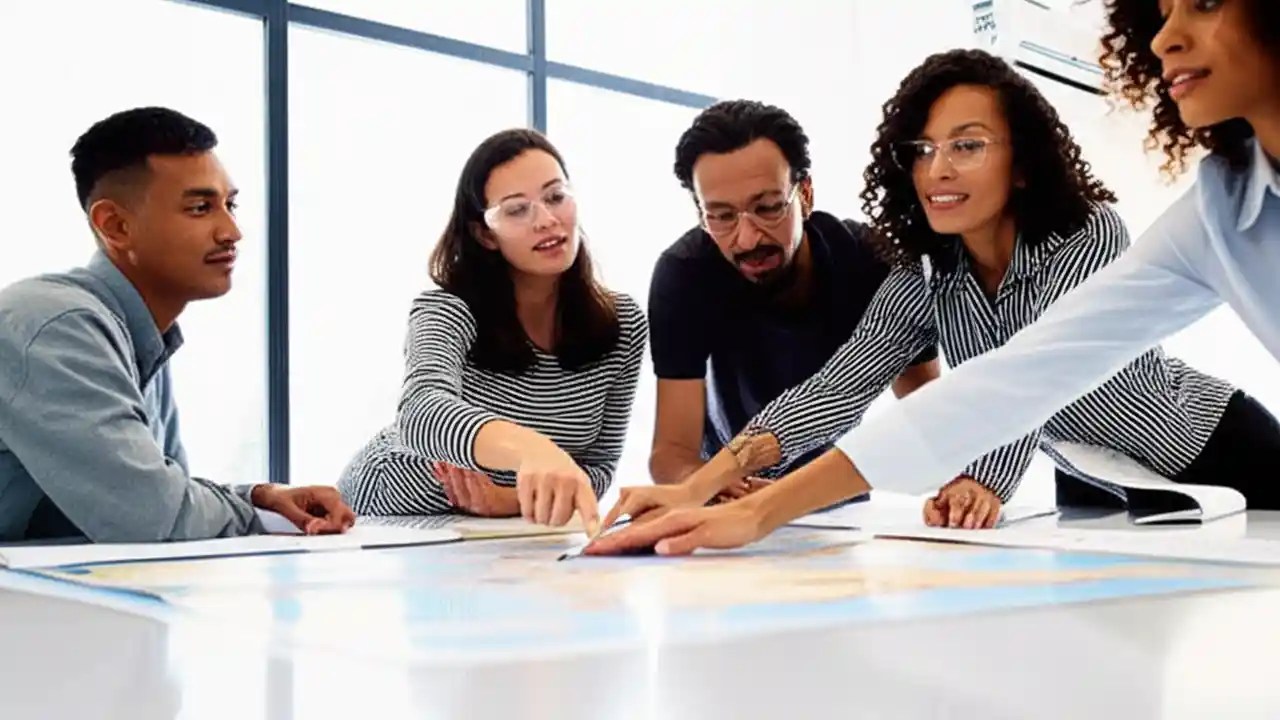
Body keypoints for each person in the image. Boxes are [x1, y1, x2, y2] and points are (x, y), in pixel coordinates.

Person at [585, 0, 1280, 556]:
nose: (938, 169)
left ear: (1025, 161)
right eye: (922, 150)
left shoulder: (1086, 232)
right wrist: (706, 486)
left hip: (1212, 450)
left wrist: (983, 476)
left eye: (968, 146)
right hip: (1100, 480)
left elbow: (1026, 377)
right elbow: (834, 389)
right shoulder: (923, 278)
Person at [0, 107, 355, 543]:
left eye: (230, 204)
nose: (231, 231)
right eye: (201, 208)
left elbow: (160, 495)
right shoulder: (58, 326)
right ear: (115, 225)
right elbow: (155, 519)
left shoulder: (140, 336)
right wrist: (248, 506)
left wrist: (261, 496)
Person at [337, 129, 646, 534]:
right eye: (517, 210)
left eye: (555, 197)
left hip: (504, 526)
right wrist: (533, 451)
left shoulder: (622, 323)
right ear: (485, 234)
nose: (547, 220)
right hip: (384, 509)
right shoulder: (447, 308)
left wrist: (510, 500)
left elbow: (598, 465)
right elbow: (420, 413)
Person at [647, 99, 939, 501]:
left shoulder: (873, 263)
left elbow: (930, 415)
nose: (747, 238)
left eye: (767, 208)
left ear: (805, 193)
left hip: (836, 497)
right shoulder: (685, 273)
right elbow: (670, 452)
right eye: (721, 216)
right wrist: (711, 485)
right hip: (725, 490)